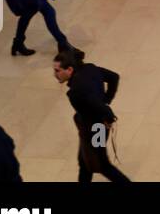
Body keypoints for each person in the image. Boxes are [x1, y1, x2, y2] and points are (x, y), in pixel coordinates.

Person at [54, 47, 130, 182]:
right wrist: (107, 99)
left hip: (95, 130)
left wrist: (107, 113)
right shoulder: (90, 68)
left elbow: (95, 105)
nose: (55, 74)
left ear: (70, 70)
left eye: (57, 70)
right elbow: (114, 77)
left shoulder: (75, 93)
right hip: (95, 127)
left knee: (102, 164)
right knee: (84, 162)